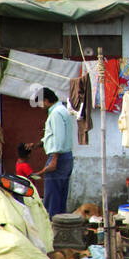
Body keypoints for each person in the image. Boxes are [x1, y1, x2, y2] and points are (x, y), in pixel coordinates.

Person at [37, 87, 75, 217]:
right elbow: (54, 136)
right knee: (60, 195)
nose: (41, 106)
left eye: (41, 102)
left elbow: (59, 138)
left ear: (46, 100)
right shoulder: (62, 110)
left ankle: (52, 224)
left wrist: (54, 160)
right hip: (65, 157)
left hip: (59, 158)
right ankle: (60, 224)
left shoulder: (56, 113)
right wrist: (38, 144)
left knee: (52, 195)